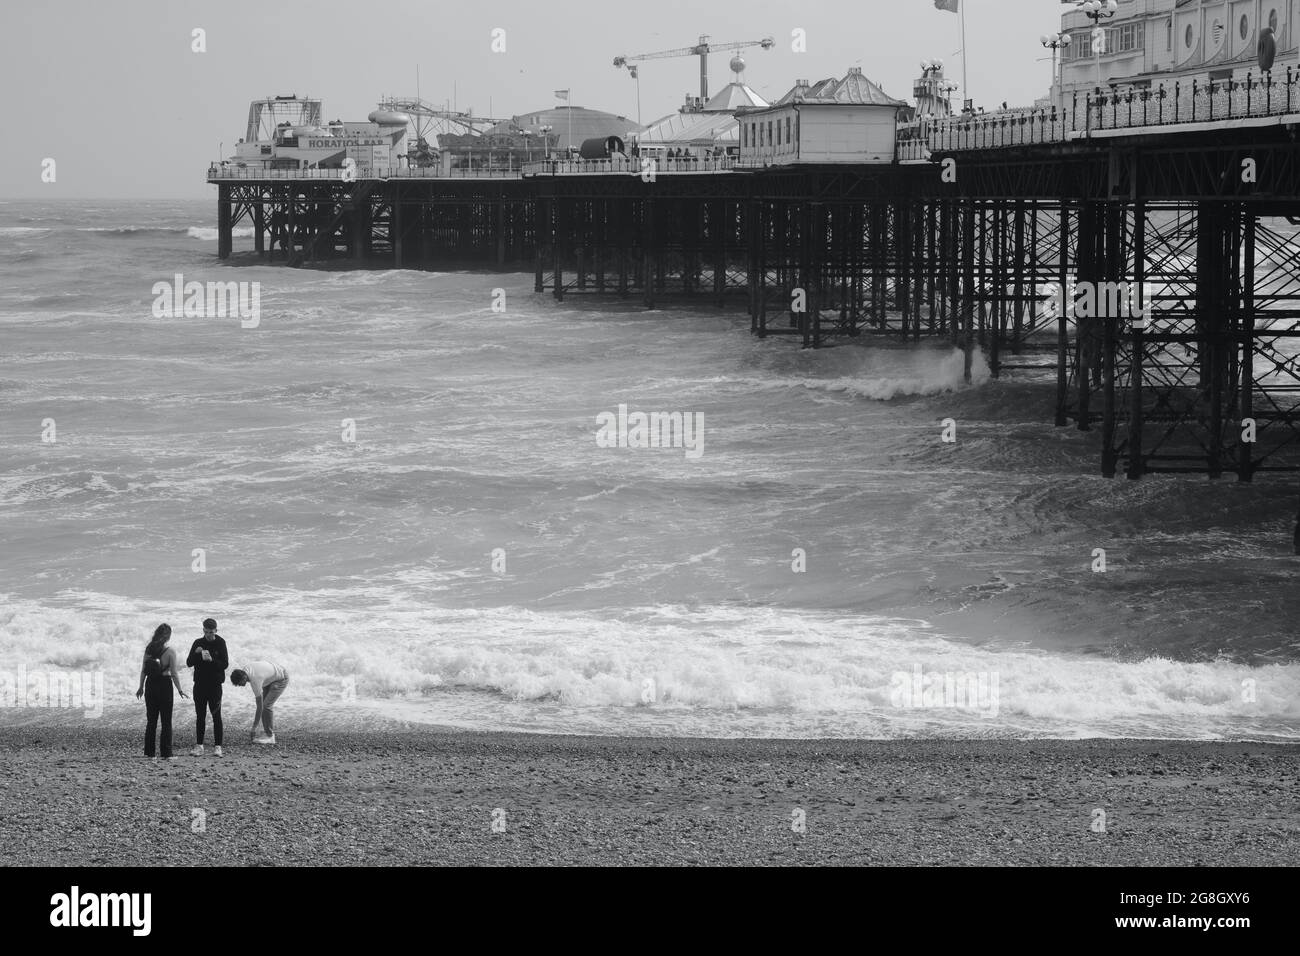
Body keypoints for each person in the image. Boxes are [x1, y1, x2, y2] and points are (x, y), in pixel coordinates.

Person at [136, 624, 187, 761]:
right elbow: (174, 674)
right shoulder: (170, 652)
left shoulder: (149, 649)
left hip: (151, 685)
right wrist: (180, 689)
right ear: (168, 637)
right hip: (165, 686)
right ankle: (166, 753)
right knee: (166, 721)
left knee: (151, 721)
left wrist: (141, 687)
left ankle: (150, 753)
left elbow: (143, 670)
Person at [186, 617, 229, 756]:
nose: (209, 635)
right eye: (206, 632)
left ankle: (218, 747)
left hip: (215, 685)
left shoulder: (221, 642)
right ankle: (199, 746)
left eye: (211, 632)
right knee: (200, 716)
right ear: (203, 630)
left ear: (216, 630)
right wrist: (197, 653)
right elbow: (189, 662)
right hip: (200, 684)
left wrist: (212, 660)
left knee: (216, 715)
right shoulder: (198, 643)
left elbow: (225, 664)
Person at [229, 661, 289, 745]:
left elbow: (259, 706)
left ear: (244, 678)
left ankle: (270, 737)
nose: (240, 686)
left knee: (266, 706)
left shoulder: (255, 680)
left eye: (239, 683)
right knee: (264, 705)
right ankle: (266, 732)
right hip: (272, 676)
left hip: (281, 678)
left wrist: (254, 727)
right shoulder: (245, 671)